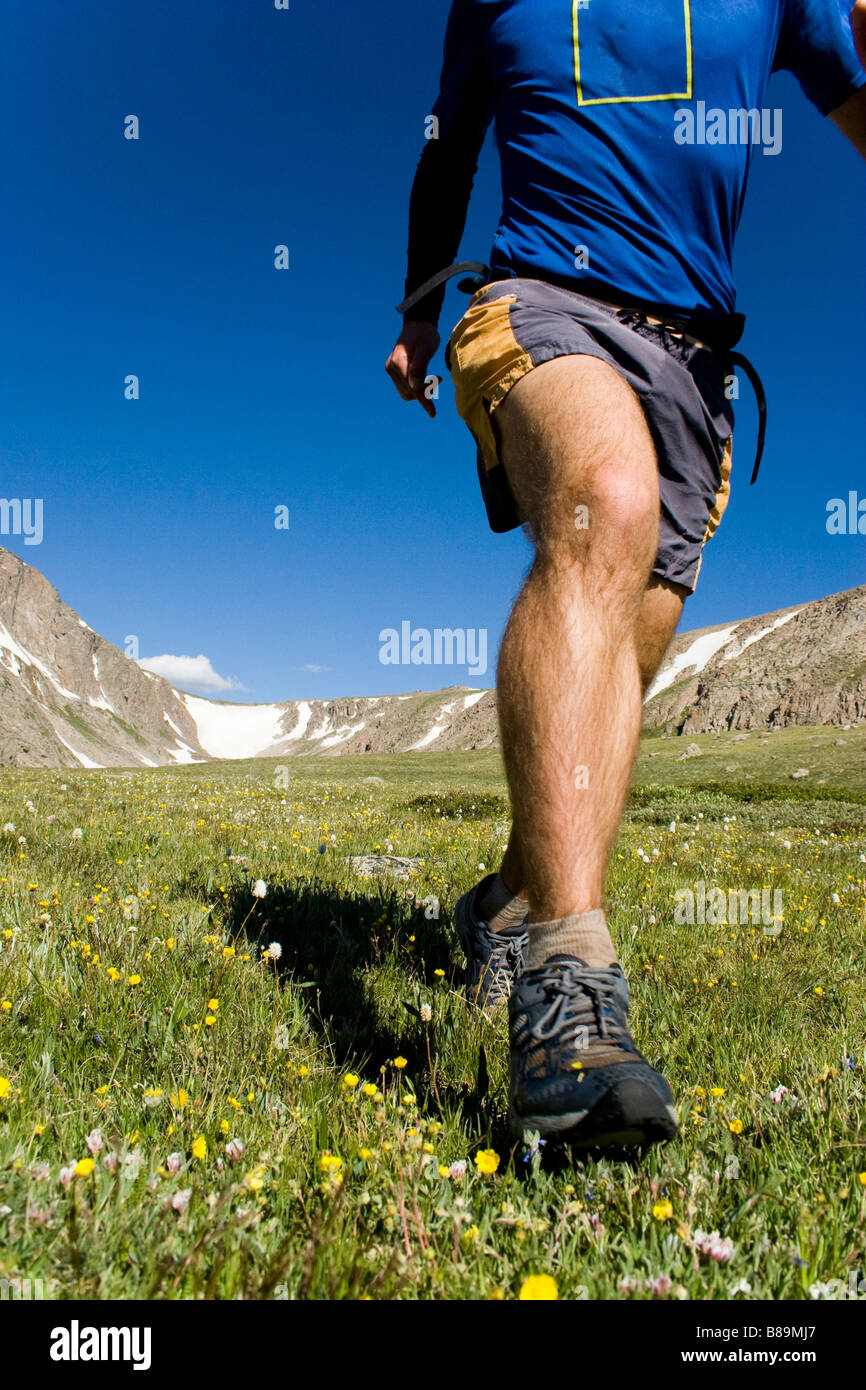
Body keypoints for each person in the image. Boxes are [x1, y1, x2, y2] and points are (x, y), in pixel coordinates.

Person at [385, 0, 866, 1150]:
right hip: (536, 303)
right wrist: (416, 311)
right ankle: (567, 993)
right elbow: (447, 151)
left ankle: (505, 900)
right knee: (603, 501)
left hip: (695, 363)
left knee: (622, 660)